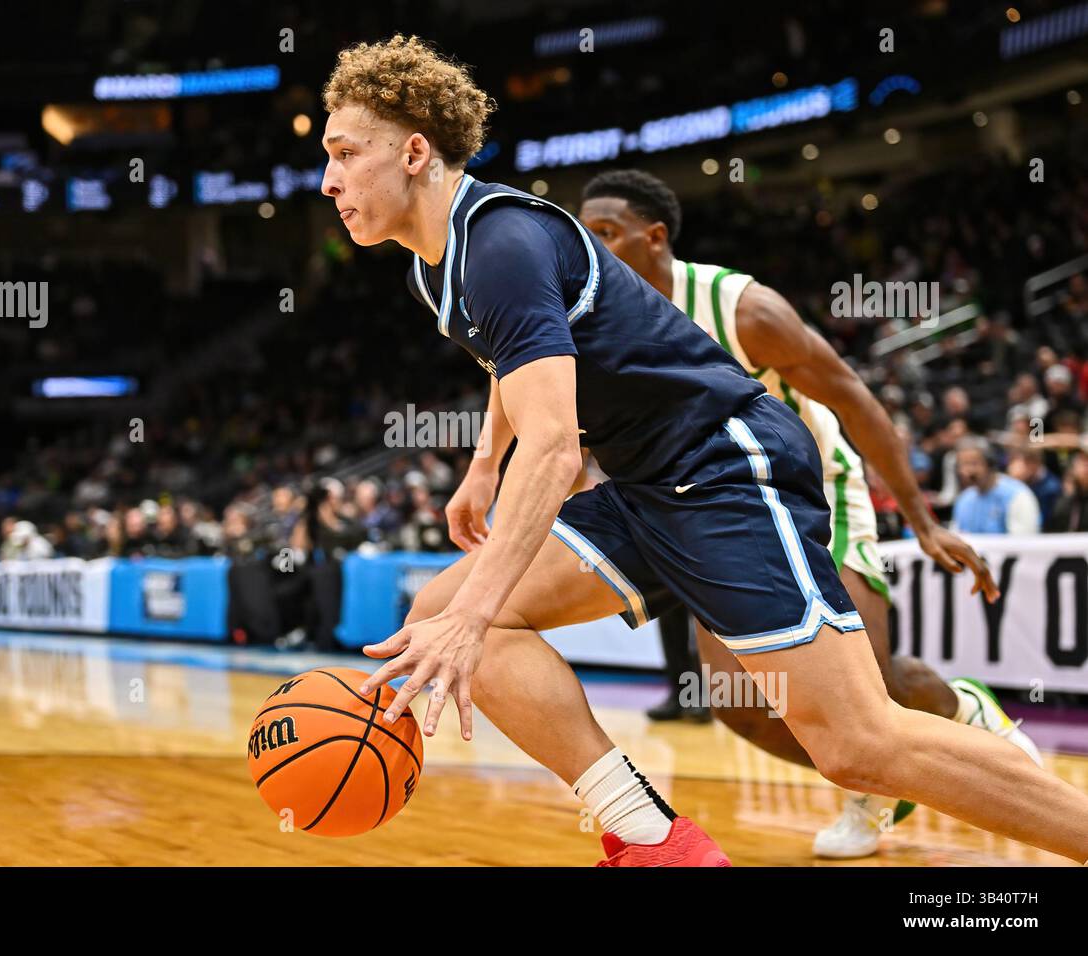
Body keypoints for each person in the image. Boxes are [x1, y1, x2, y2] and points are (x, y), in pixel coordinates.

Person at [320, 35, 1088, 866]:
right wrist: (478, 467)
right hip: (649, 482)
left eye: (344, 153)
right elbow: (524, 370)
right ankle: (656, 842)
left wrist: (476, 610)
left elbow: (551, 448)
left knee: (859, 743)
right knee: (441, 613)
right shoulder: (433, 270)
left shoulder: (501, 241)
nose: (329, 180)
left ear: (415, 152)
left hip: (723, 465)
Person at [577, 168, 1041, 857]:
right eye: (583, 236)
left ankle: (960, 709)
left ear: (655, 238)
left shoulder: (740, 307)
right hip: (717, 511)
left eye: (605, 234)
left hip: (815, 491)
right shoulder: (596, 326)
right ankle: (876, 786)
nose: (590, 249)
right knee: (736, 703)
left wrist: (921, 516)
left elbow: (851, 394)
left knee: (869, 690)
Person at [953, 438, 1042, 535]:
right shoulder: (964, 499)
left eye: (973, 464)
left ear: (990, 463)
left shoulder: (1017, 496)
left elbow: (1023, 542)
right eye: (962, 465)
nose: (967, 471)